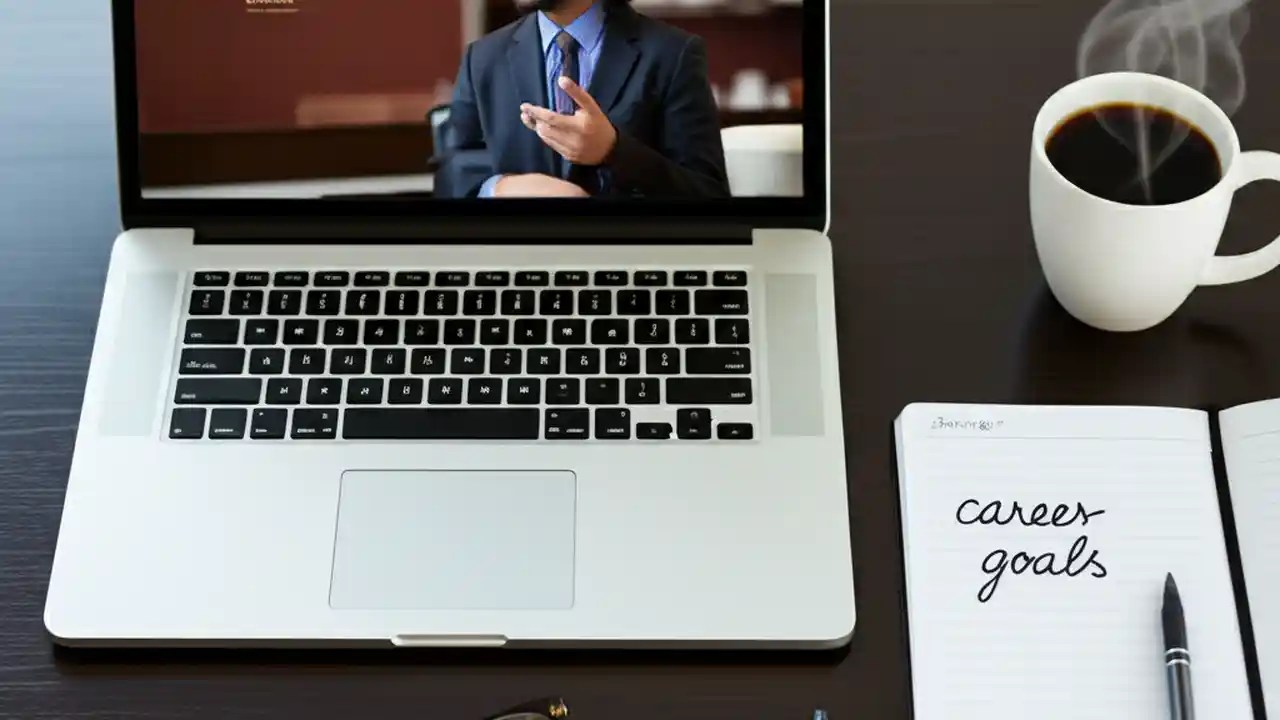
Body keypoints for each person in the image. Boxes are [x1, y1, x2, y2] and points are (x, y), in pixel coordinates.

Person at [438, 0, 730, 199]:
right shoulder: (483, 57)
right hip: (517, 266)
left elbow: (707, 193)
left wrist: (613, 151)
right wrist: (501, 188)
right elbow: (451, 171)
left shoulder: (673, 54)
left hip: (629, 265)